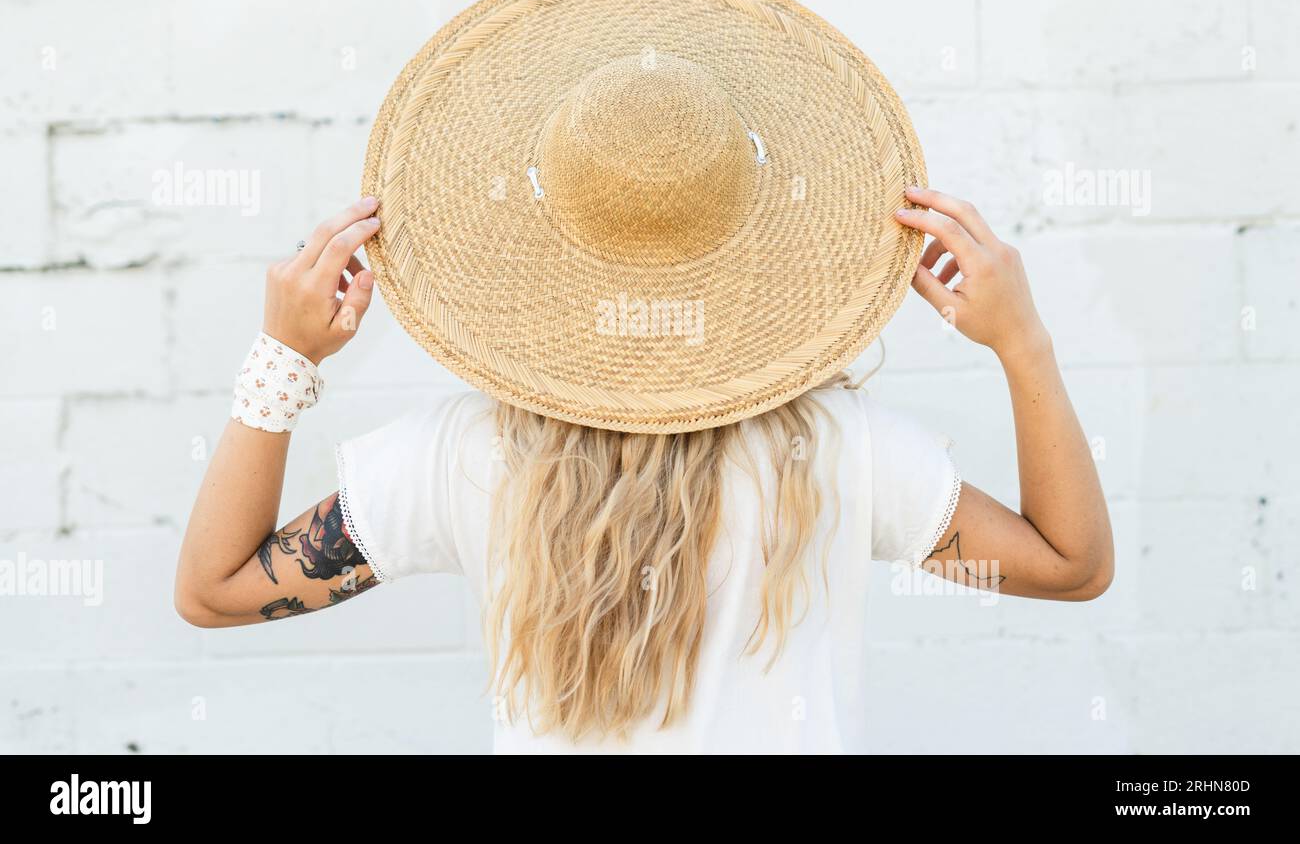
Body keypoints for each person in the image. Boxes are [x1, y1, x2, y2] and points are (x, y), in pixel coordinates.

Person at [174, 186, 1112, 753]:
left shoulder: (470, 452)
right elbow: (1070, 565)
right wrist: (1021, 342)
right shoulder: (834, 449)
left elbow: (214, 590)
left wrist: (283, 360)